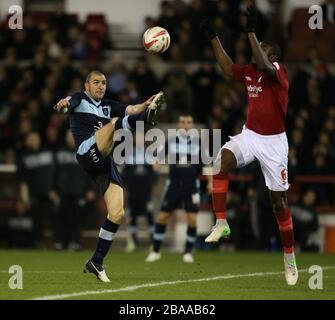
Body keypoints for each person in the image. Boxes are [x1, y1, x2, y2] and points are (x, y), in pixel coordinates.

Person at [201, 1, 298, 285]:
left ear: (274, 55)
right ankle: (221, 222)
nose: (258, 52)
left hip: (274, 145)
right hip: (251, 135)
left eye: (263, 49)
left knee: (278, 202)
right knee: (220, 161)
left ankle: (289, 257)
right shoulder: (250, 72)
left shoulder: (277, 72)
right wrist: (213, 37)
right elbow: (227, 67)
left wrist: (251, 31)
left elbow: (264, 61)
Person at [56, 70, 164, 282]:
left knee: (117, 212)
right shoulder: (80, 98)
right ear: (86, 85)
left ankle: (96, 261)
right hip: (87, 152)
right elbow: (69, 101)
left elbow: (130, 108)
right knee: (116, 123)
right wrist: (63, 104)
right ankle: (146, 119)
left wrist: (146, 104)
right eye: (96, 82)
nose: (100, 86)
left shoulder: (108, 105)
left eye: (104, 83)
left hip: (104, 160)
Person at [146, 114, 208, 263]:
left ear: (192, 125)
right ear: (179, 125)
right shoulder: (171, 140)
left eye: (188, 122)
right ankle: (155, 251)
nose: (185, 125)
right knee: (162, 217)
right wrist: (157, 162)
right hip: (173, 184)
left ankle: (188, 252)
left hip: (191, 185)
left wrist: (211, 183)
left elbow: (207, 165)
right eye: (182, 122)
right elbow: (159, 155)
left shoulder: (199, 143)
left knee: (192, 219)